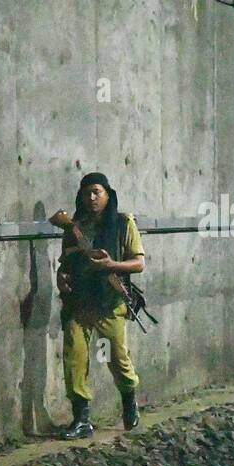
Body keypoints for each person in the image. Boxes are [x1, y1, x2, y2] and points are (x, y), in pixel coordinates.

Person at [49, 172, 145, 440]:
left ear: (107, 194)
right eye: (87, 193)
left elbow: (138, 263)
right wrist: (62, 279)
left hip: (109, 302)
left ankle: (129, 402)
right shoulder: (74, 227)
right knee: (74, 359)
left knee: (118, 358)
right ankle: (81, 419)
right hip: (78, 303)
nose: (91, 198)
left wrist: (111, 265)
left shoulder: (123, 223)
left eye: (97, 192)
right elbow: (64, 263)